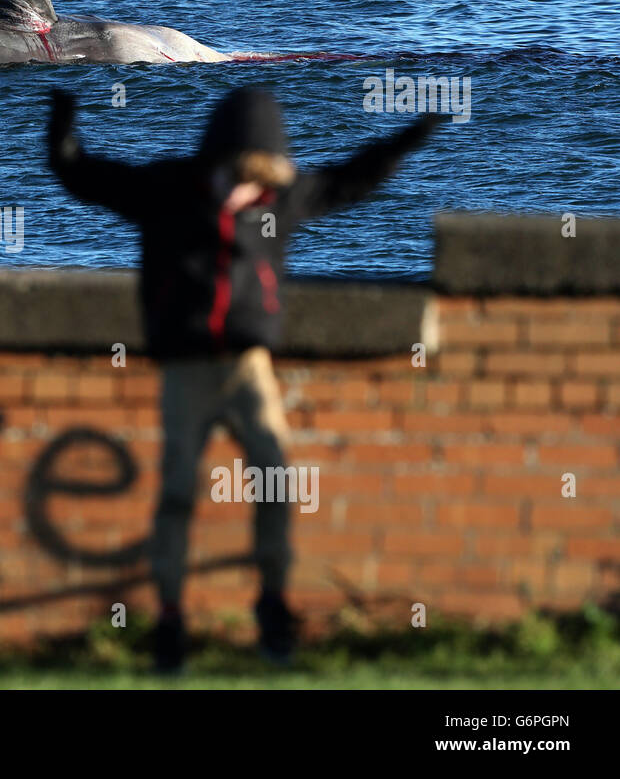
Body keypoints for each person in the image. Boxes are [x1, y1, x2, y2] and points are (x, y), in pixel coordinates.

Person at [46, 84, 441, 671]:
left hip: (248, 367)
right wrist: (64, 136)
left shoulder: (282, 199)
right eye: (250, 173)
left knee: (275, 481)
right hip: (186, 367)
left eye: (268, 175)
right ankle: (172, 620)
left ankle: (273, 604)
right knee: (178, 492)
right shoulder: (169, 189)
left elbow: (349, 182)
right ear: (225, 156)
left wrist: (405, 141)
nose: (259, 187)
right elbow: (89, 180)